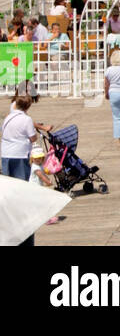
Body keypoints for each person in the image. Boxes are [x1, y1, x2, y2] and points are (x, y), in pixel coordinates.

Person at [2, 97, 52, 245]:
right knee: (22, 186)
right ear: (28, 107)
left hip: (5, 154)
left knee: (10, 185)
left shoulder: (8, 117)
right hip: (19, 155)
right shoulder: (27, 120)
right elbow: (33, 137)